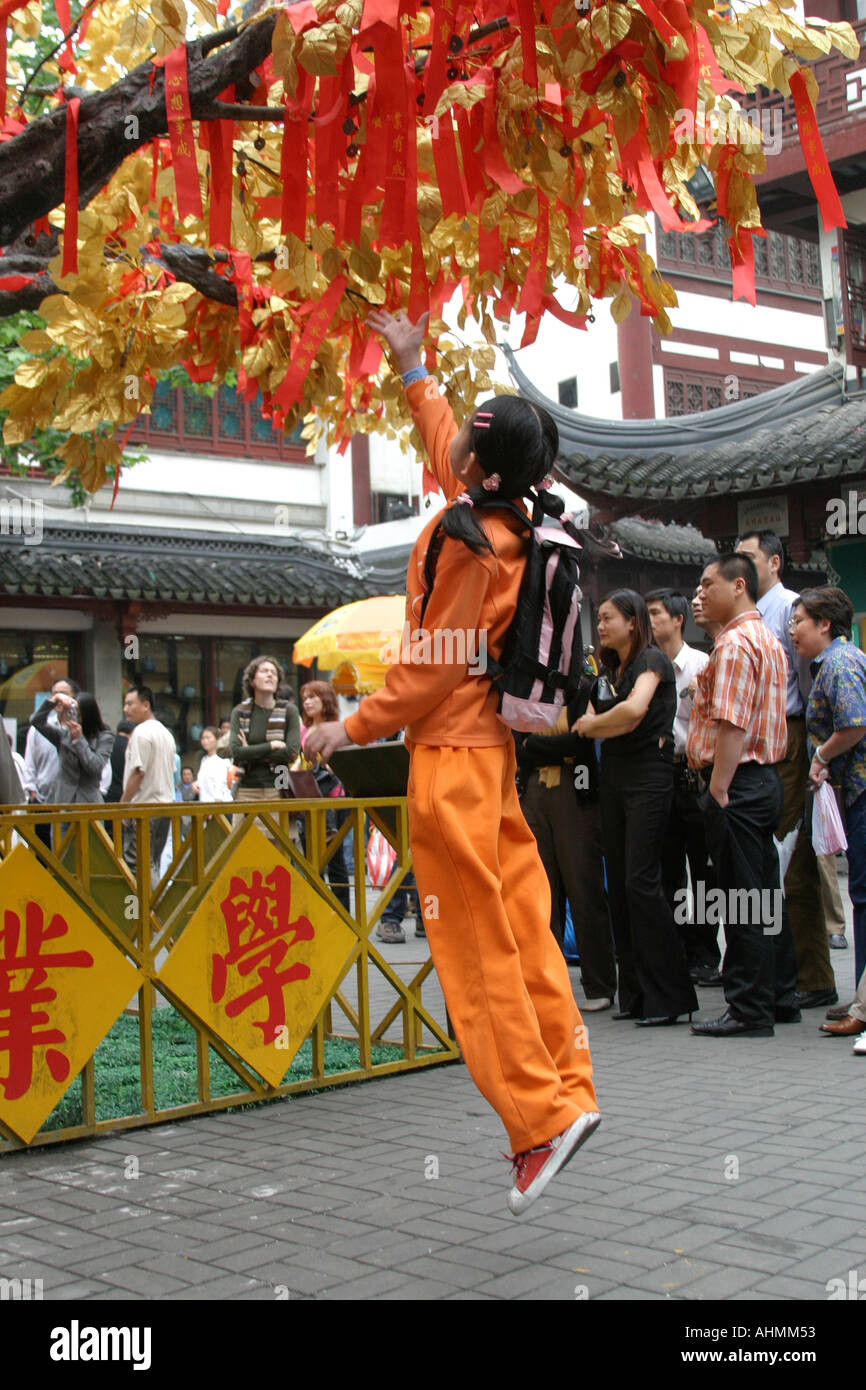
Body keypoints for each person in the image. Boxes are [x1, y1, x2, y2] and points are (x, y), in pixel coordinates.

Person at [305, 308, 600, 1216]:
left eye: (464, 446)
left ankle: (537, 1122)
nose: (452, 455)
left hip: (450, 762)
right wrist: (412, 366)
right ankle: (570, 1089)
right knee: (521, 929)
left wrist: (344, 732)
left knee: (474, 952)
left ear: (481, 468)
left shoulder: (464, 540)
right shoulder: (512, 514)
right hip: (494, 760)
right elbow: (446, 441)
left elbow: (427, 671)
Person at [687, 553, 799, 1037]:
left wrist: (717, 788)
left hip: (737, 782)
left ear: (738, 585)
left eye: (707, 584)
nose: (699, 594)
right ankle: (779, 996)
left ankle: (749, 1009)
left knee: (740, 899)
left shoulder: (733, 643)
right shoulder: (768, 640)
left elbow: (731, 724)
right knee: (764, 894)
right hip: (763, 781)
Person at [576, 590, 698, 1026]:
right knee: (623, 891)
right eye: (599, 618)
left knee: (643, 884)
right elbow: (594, 716)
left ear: (632, 622)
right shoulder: (609, 671)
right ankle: (637, 996)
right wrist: (596, 724)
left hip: (649, 777)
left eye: (608, 618)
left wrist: (595, 724)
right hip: (615, 781)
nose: (601, 625)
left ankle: (671, 998)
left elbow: (631, 712)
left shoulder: (652, 661)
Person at [736, 531, 836, 1010]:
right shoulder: (751, 612)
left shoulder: (789, 608)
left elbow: (807, 686)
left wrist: (810, 750)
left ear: (775, 561)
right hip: (765, 742)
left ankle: (812, 977)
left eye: (749, 558)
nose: (742, 567)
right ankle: (782, 974)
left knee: (791, 863)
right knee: (768, 864)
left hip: (791, 737)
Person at [518, 674, 617, 1010]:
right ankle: (547, 984)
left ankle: (599, 985)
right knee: (540, 894)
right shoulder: (527, 688)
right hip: (532, 792)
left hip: (577, 789)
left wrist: (538, 746)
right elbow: (519, 746)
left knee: (584, 887)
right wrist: (550, 748)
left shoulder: (585, 687)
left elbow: (580, 744)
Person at [789, 586, 866, 1014]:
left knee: (865, 894)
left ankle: (863, 1002)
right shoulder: (836, 662)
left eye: (799, 621)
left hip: (860, 790)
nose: (793, 630)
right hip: (853, 792)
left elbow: (855, 724)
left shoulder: (838, 663)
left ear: (824, 624)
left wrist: (820, 755)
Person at [646, 588, 719, 984]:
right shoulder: (647, 667)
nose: (650, 621)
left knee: (703, 871)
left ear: (678, 619)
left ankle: (706, 953)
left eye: (656, 613)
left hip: (696, 775)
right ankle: (677, 948)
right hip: (661, 776)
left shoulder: (701, 665)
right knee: (668, 870)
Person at [299, 681, 352, 913]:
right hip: (307, 799)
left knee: (336, 860)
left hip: (334, 800)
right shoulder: (301, 730)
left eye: (313, 697)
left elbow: (348, 764)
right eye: (305, 698)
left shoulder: (337, 729)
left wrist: (332, 766)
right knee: (311, 861)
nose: (308, 702)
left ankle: (343, 917)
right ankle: (318, 914)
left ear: (326, 700)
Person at [119, 685, 177, 887]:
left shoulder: (141, 733)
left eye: (129, 704)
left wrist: (123, 805)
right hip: (164, 807)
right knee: (152, 863)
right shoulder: (165, 733)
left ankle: (150, 914)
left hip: (144, 807)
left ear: (146, 705)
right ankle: (156, 912)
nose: (125, 709)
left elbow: (137, 772)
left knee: (138, 864)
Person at [229, 656, 301, 810]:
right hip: (246, 788)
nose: (270, 675)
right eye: (264, 671)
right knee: (244, 834)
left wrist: (249, 750)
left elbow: (291, 752)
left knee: (278, 834)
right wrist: (271, 746)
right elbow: (236, 752)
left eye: (273, 673)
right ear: (252, 680)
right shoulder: (240, 712)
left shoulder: (289, 710)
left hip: (280, 786)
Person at [21, 676, 80, 847]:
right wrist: (31, 790)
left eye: (63, 693)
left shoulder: (79, 727)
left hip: (73, 802)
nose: (59, 698)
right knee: (43, 853)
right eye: (54, 694)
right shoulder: (40, 728)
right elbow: (29, 761)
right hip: (43, 800)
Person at [28, 689, 113, 803]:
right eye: (70, 711)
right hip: (63, 802)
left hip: (89, 803)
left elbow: (95, 767)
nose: (72, 716)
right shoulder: (64, 735)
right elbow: (36, 721)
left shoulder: (104, 737)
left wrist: (79, 740)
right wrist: (53, 701)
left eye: (76, 712)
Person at [195, 726, 233, 804]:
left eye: (208, 738)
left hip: (219, 806)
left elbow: (220, 785)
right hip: (205, 804)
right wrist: (196, 784)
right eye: (203, 738)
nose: (205, 741)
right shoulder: (204, 759)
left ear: (217, 739)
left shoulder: (223, 760)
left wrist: (215, 807)